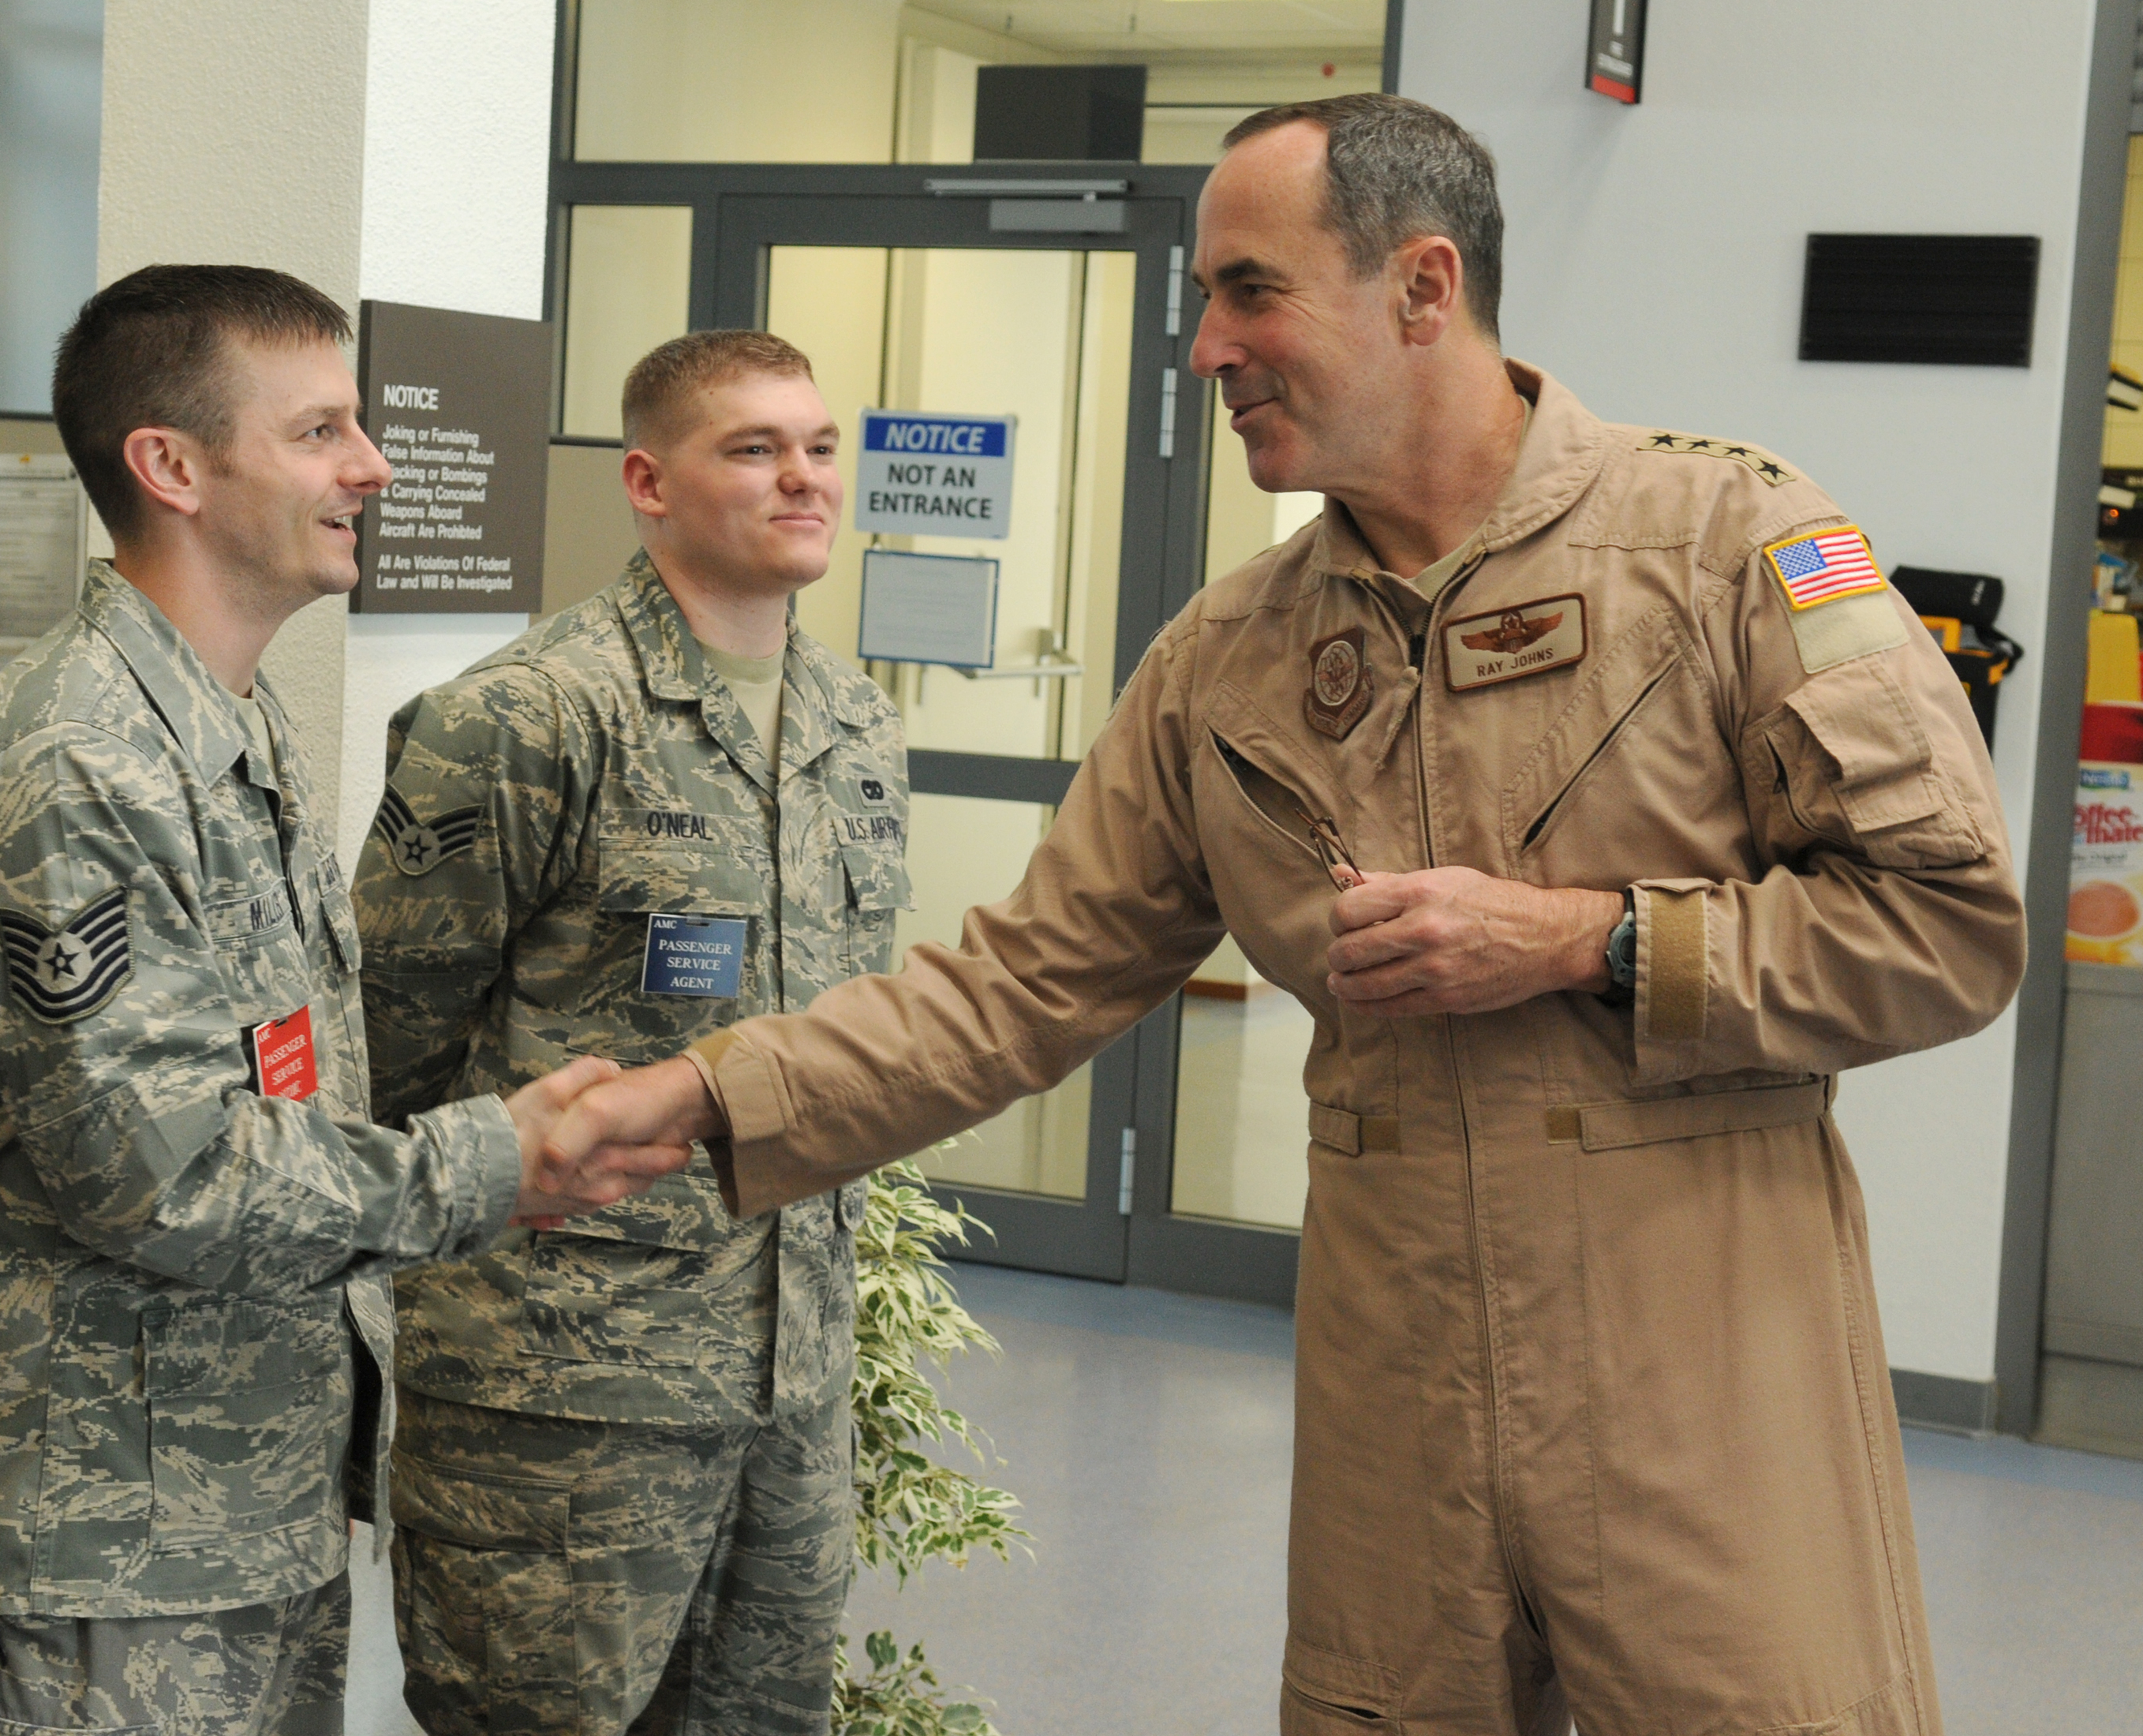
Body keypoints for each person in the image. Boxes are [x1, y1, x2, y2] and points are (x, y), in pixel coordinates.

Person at [534, 95, 2029, 1736]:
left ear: (1422, 286)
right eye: (1201, 299)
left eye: (1249, 290)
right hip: (1399, 1399)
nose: (1204, 348)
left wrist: (1586, 936)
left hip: (1709, 1379)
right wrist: (699, 1095)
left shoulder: (1726, 545)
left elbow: (1945, 927)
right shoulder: (1227, 661)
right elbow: (1021, 982)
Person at [0, 264, 683, 1736]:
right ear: (170, 466)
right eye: (319, 432)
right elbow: (167, 1177)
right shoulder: (76, 765)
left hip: (240, 1521)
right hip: (85, 1566)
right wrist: (501, 1157)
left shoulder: (228, 725)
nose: (369, 465)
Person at [350, 329, 909, 1735]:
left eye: (821, 445)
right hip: (561, 1399)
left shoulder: (856, 723)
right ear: (649, 483)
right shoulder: (526, 719)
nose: (804, 478)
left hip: (792, 1383)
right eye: (756, 449)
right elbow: (385, 1053)